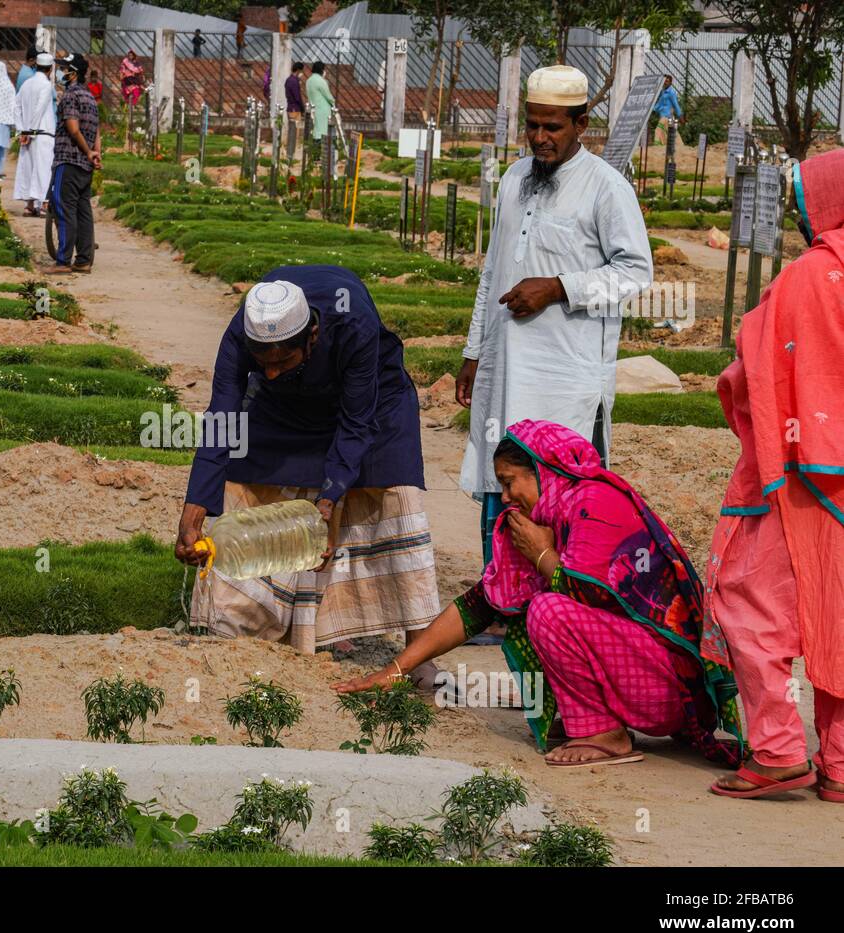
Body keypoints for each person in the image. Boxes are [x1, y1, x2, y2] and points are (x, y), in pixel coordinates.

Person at [334, 420, 745, 770]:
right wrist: (396, 670)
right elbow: (481, 604)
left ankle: (605, 735)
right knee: (537, 603)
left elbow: (593, 593)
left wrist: (544, 556)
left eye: (510, 484)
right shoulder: (541, 518)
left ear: (543, 470)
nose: (507, 498)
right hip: (642, 678)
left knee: (547, 609)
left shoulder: (596, 501)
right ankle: (592, 720)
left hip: (671, 690)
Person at [176, 267, 442, 673]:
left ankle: (419, 660)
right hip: (285, 406)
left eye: (282, 360)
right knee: (247, 480)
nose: (269, 371)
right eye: (261, 362)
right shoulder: (241, 333)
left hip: (372, 401)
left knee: (394, 494)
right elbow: (221, 423)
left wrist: (329, 499)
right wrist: (194, 509)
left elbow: (355, 424)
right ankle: (240, 627)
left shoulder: (353, 323)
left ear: (312, 337)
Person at [456, 64, 652, 568]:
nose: (540, 138)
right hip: (505, 365)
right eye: (533, 125)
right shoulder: (514, 178)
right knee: (502, 473)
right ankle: (501, 598)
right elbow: (492, 273)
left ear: (582, 124)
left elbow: (635, 272)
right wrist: (475, 352)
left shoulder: (607, 188)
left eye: (553, 127)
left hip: (563, 375)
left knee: (554, 486)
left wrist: (560, 288)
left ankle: (554, 600)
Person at [705, 148, 844, 802]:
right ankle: (841, 764)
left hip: (793, 476)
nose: (794, 208)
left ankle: (781, 747)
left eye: (801, 196)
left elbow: (752, 370)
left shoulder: (808, 275)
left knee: (746, 599)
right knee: (837, 616)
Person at [47, 53, 101, 275]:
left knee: (64, 209)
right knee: (83, 211)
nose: (60, 72)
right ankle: (84, 260)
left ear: (73, 73)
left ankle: (63, 261)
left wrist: (88, 151)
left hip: (68, 159)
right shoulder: (89, 97)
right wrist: (96, 153)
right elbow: (96, 130)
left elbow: (72, 127)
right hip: (85, 165)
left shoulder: (70, 96)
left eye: (64, 69)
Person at [14, 51, 56, 218]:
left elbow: (16, 107)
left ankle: (29, 205)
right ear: (50, 69)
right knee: (43, 169)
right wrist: (29, 131)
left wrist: (22, 129)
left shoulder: (26, 84)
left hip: (28, 132)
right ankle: (44, 204)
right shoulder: (46, 86)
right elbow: (39, 109)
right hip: (42, 132)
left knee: (29, 168)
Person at [306, 62, 335, 141]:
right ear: (321, 70)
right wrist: (333, 102)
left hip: (313, 108)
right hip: (323, 109)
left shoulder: (308, 81)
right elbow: (328, 96)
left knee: (315, 129)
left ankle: (315, 149)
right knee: (322, 131)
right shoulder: (321, 81)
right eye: (324, 69)